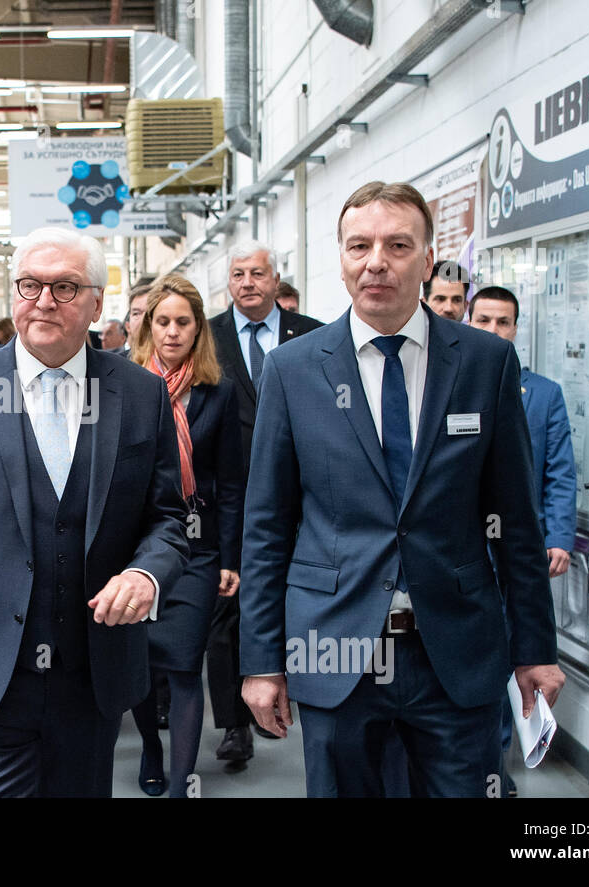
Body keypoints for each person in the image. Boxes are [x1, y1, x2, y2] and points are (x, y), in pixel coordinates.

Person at [239, 181, 565, 797]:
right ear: (340, 257)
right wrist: (261, 660)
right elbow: (266, 527)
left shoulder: (483, 363)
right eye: (358, 245)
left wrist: (534, 649)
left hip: (455, 650)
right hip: (334, 649)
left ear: (427, 257)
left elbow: (516, 520)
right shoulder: (294, 369)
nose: (376, 262)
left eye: (397, 245)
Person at [0, 226, 189, 797]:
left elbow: (169, 518)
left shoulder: (140, 394)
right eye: (29, 286)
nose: (43, 301)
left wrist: (146, 574)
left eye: (65, 288)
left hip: (91, 673)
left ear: (96, 301)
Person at [206, 239, 321, 767]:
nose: (247, 282)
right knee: (229, 613)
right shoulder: (208, 335)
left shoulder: (313, 336)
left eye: (257, 273)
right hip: (229, 495)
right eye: (238, 274)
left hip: (302, 495)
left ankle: (294, 696)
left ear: (276, 280)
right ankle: (234, 724)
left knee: (302, 600)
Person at [128, 274, 244, 797]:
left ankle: (180, 785)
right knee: (138, 661)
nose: (172, 332)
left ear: (199, 330)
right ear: (149, 327)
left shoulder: (218, 393)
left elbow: (233, 483)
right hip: (137, 543)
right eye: (163, 321)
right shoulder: (126, 386)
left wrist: (230, 556)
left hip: (198, 546)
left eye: (183, 323)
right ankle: (151, 750)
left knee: (184, 662)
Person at [468, 283, 576, 797]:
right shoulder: (452, 385)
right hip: (463, 555)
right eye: (483, 320)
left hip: (517, 553)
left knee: (516, 657)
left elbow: (559, 473)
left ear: (516, 328)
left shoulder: (544, 393)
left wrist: (557, 536)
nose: (493, 330)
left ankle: (497, 767)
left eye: (503, 322)